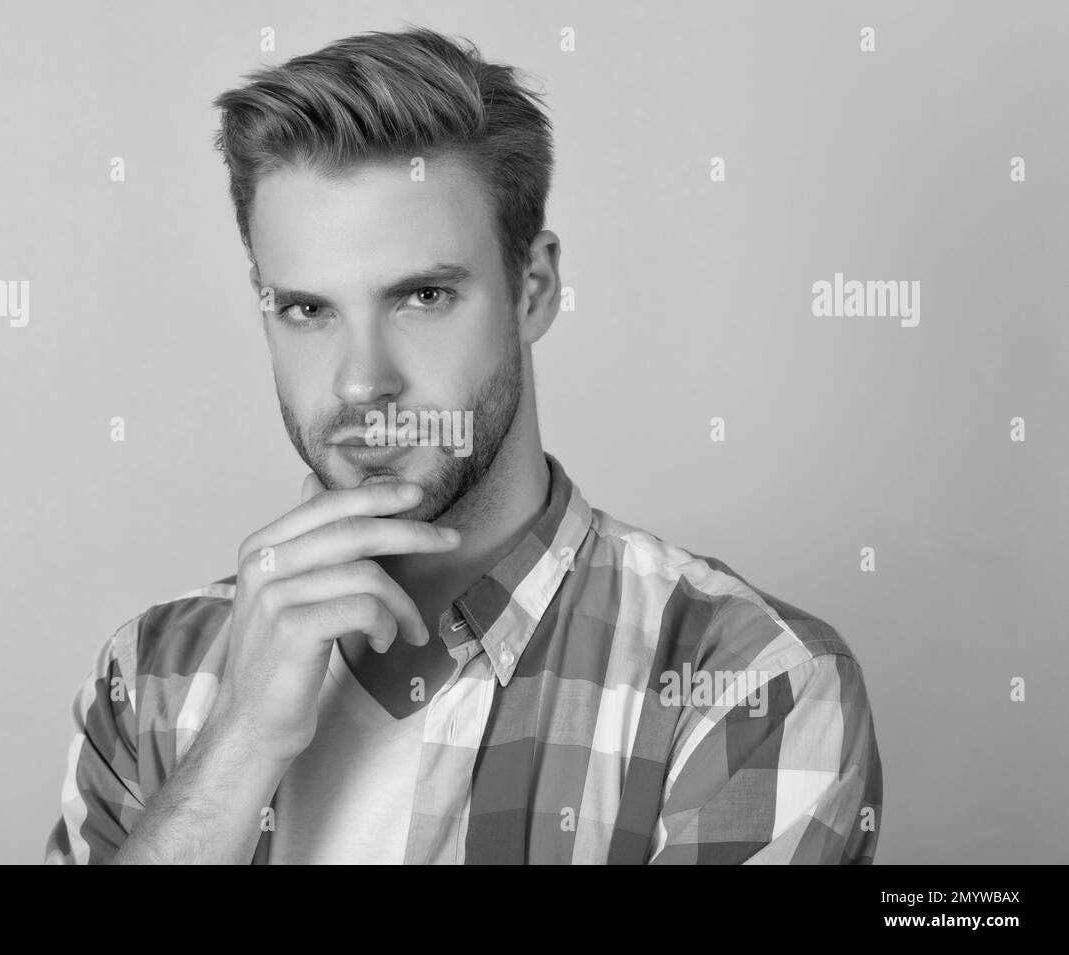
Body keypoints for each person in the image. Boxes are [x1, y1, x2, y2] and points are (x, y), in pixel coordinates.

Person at [45, 26, 882, 865]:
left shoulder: (751, 683)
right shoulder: (150, 676)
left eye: (423, 296)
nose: (360, 383)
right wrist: (238, 746)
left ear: (535, 289)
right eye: (308, 310)